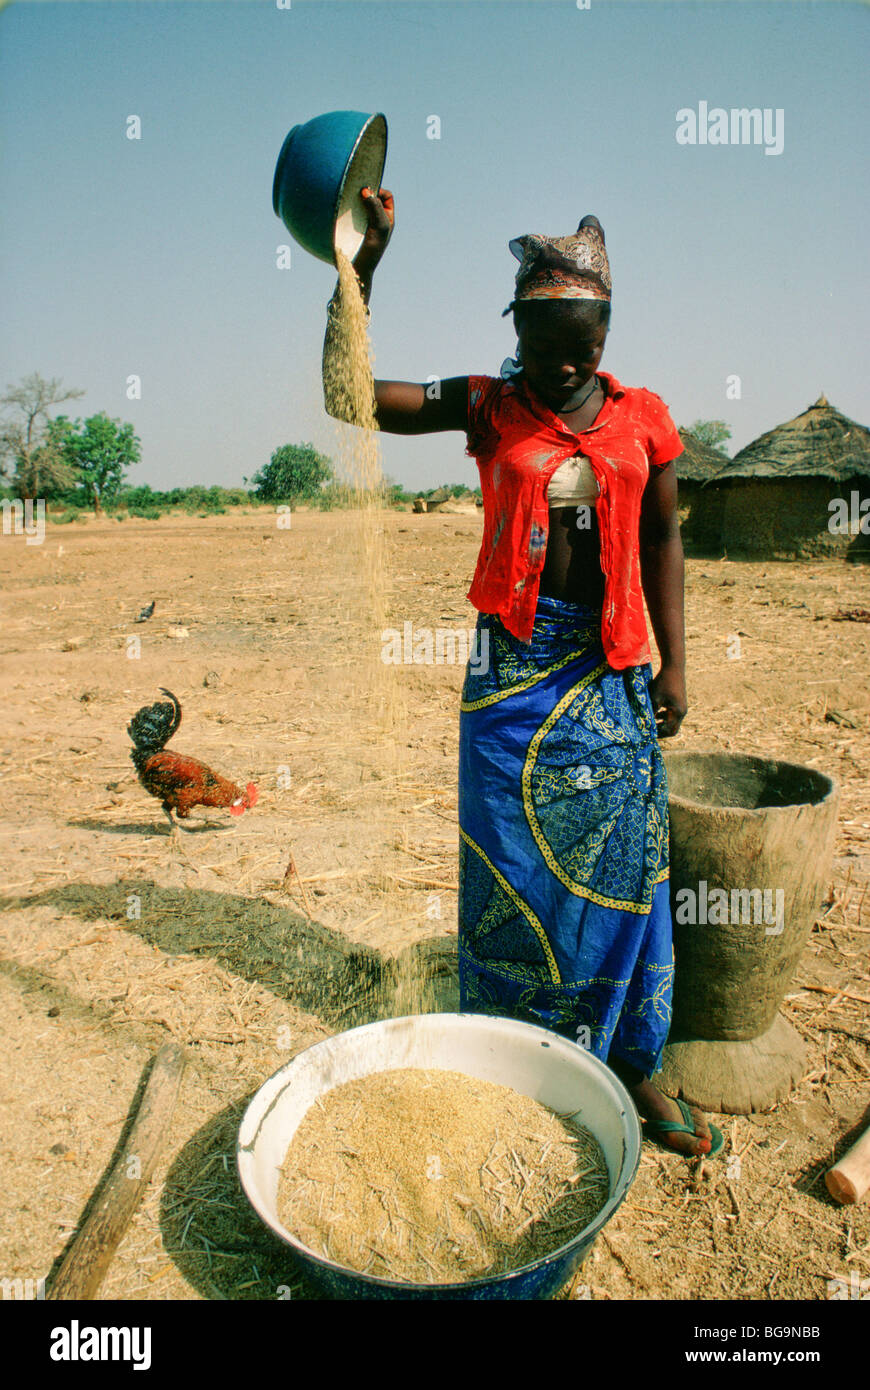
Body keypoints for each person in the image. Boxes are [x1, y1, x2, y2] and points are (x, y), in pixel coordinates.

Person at [323, 187, 723, 1159]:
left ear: (606, 331)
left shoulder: (644, 419)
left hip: (614, 661)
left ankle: (636, 1057)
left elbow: (666, 534)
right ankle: (512, 1048)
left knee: (628, 865)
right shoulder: (489, 405)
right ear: (520, 331)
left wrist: (675, 662)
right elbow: (349, 398)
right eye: (550, 344)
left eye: (585, 344)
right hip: (512, 670)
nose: (569, 362)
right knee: (510, 860)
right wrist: (357, 269)